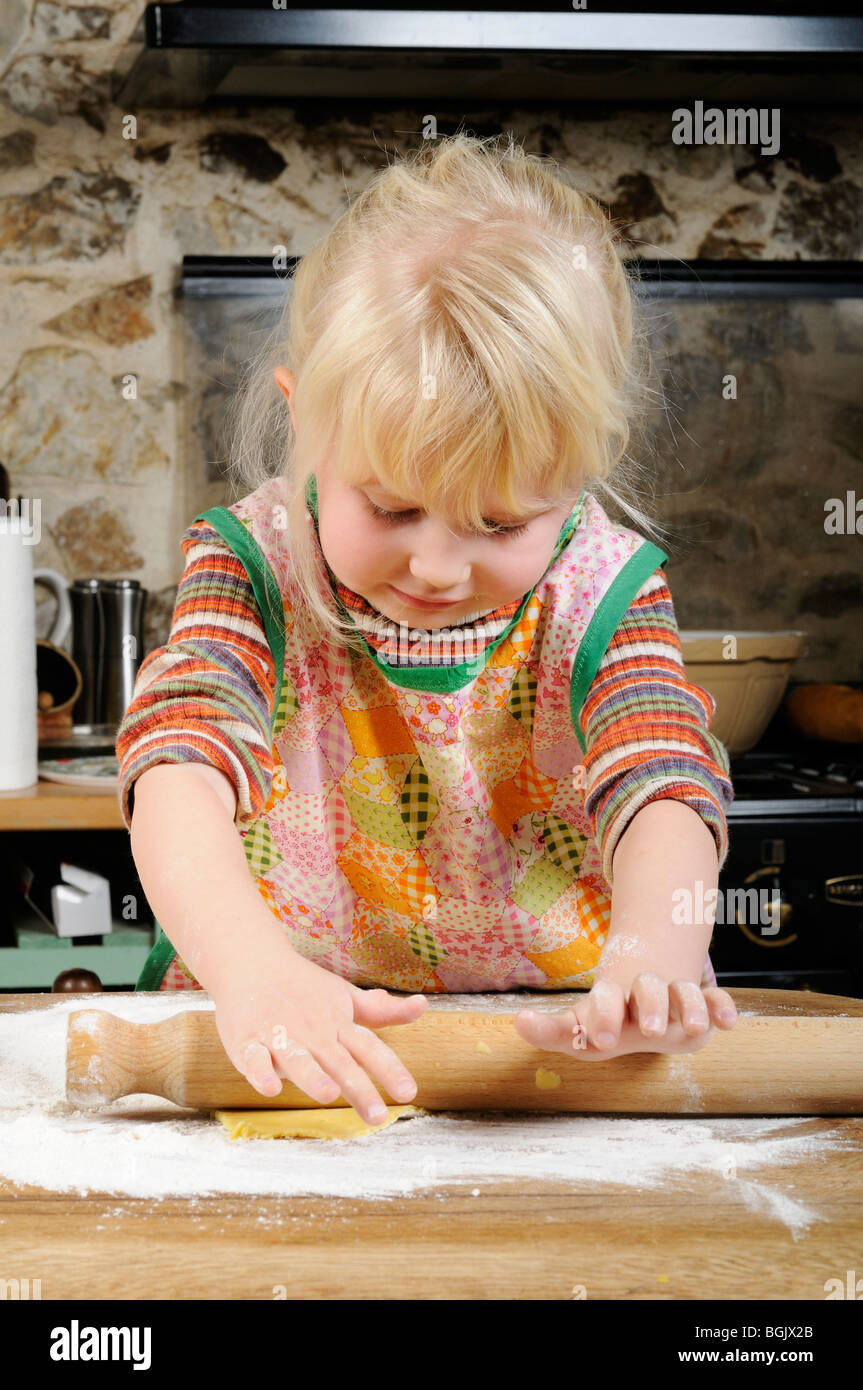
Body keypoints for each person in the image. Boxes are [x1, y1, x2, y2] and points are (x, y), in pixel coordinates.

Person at [117, 133, 737, 1128]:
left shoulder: (598, 588)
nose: (439, 569)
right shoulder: (253, 565)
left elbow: (659, 773)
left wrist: (653, 955)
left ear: (577, 467)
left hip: (547, 1064)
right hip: (281, 1046)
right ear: (303, 418)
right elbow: (176, 766)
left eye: (499, 523)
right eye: (392, 509)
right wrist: (252, 972)